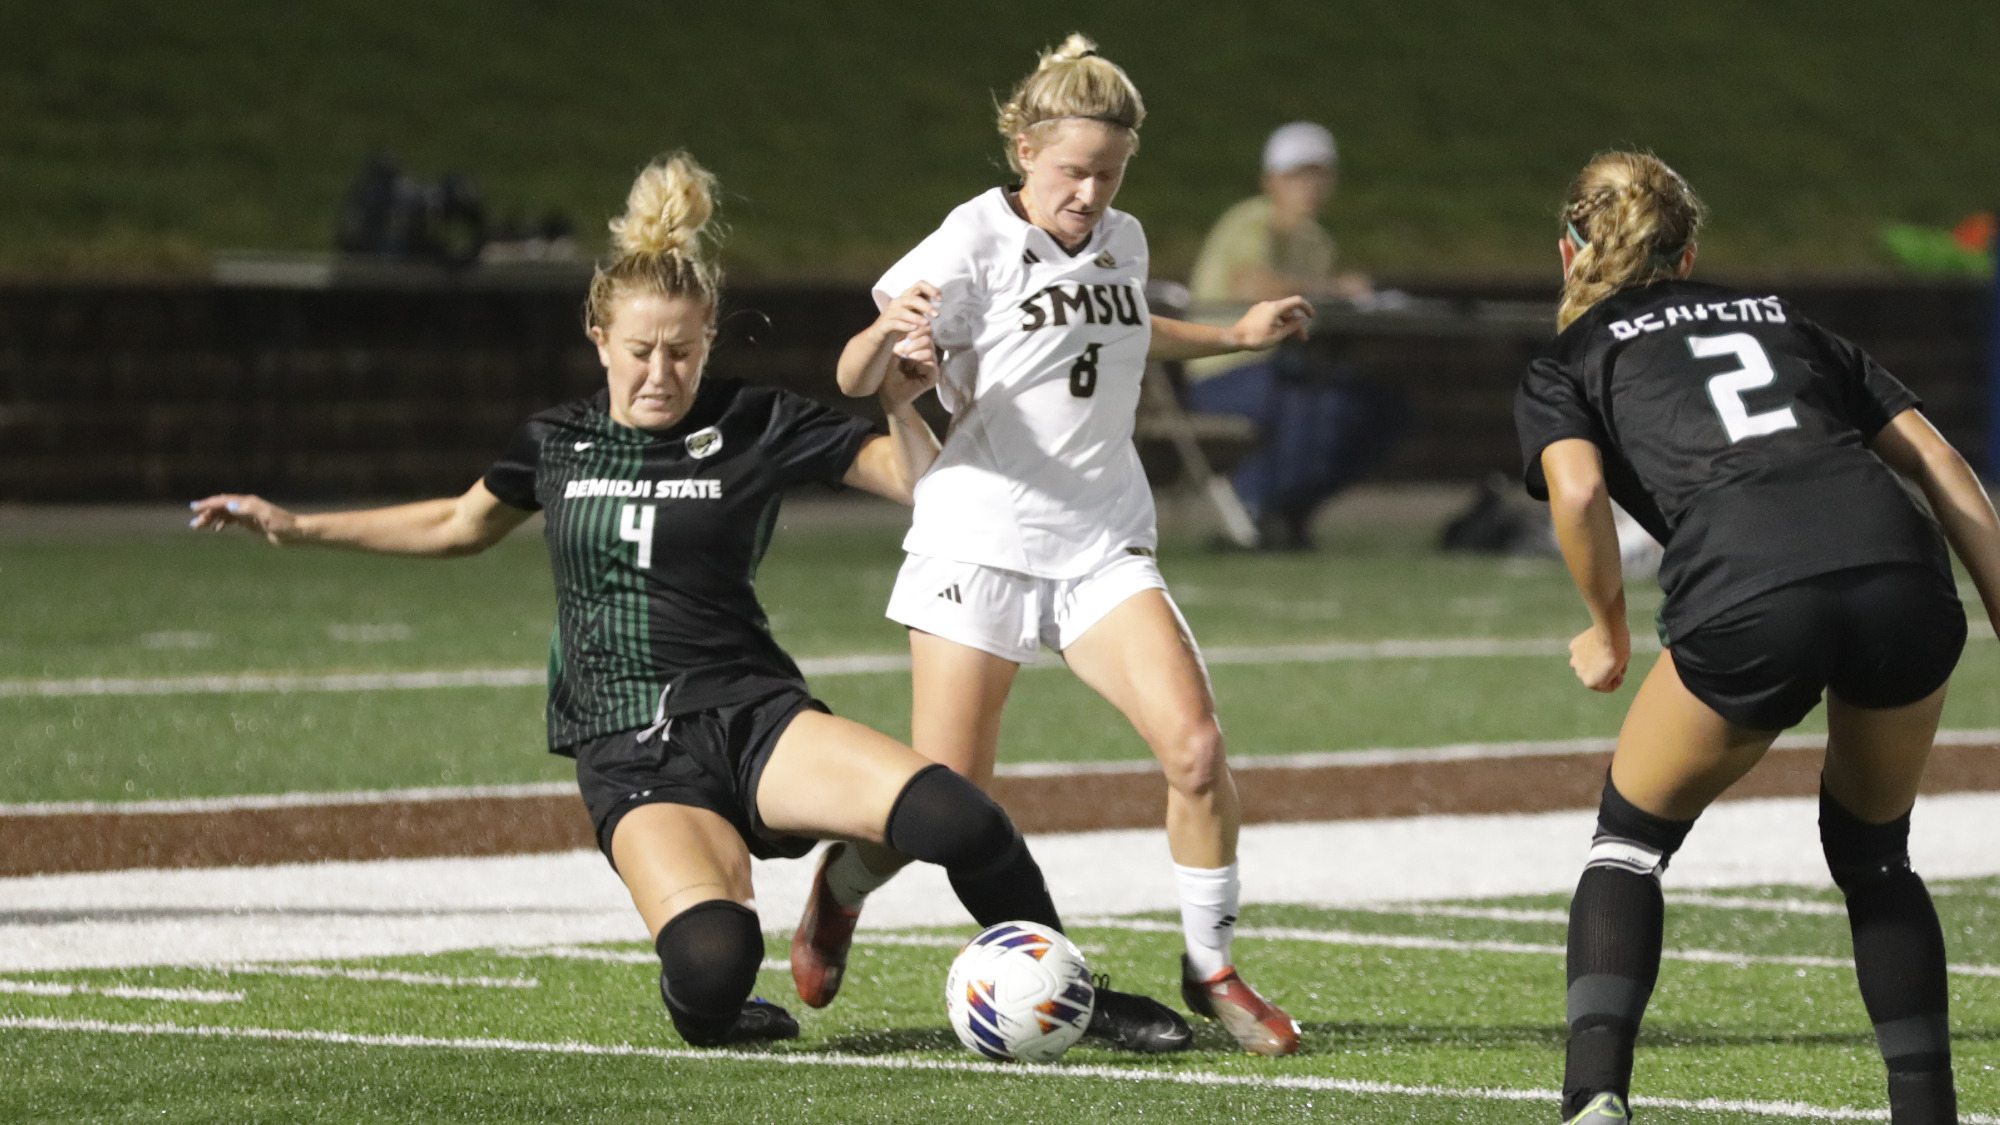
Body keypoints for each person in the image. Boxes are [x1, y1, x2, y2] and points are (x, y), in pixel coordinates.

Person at [189, 151, 1183, 1053]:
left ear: (708, 336)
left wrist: (898, 395)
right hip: (626, 745)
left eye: (680, 351)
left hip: (751, 715)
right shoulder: (555, 442)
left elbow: (929, 487)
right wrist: (295, 523)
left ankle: (1074, 998)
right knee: (712, 966)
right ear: (598, 338)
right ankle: (707, 996)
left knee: (959, 817)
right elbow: (456, 525)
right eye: (638, 352)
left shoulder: (752, 419)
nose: (659, 373)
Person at [795, 34, 1313, 1057]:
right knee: (947, 807)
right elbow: (858, 374)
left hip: (1098, 544)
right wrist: (880, 345)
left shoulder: (1122, 237)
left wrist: (1232, 336)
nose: (1088, 191)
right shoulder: (969, 241)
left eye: (1108, 173)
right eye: (1072, 170)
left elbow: (1120, 324)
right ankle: (839, 885)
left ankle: (1209, 966)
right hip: (976, 541)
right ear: (1024, 149)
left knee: (1197, 751)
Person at [1516, 150, 1996, 1125]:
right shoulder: (1783, 318)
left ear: (1567, 250)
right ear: (1687, 256)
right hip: (1896, 572)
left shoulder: (1565, 359)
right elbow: (1938, 461)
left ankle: (1592, 1098)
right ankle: (1924, 1110)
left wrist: (1604, 631)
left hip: (1748, 586)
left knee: (1628, 844)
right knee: (1874, 856)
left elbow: (1575, 491)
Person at [1181, 121, 1406, 549]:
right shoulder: (1250, 221)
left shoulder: (1315, 242)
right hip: (1223, 370)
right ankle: (1245, 502)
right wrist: (1338, 290)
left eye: (1318, 175)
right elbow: (1252, 284)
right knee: (1319, 409)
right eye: (1297, 176)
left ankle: (1288, 508)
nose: (1310, 187)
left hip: (1281, 367)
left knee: (1382, 412)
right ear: (1272, 182)